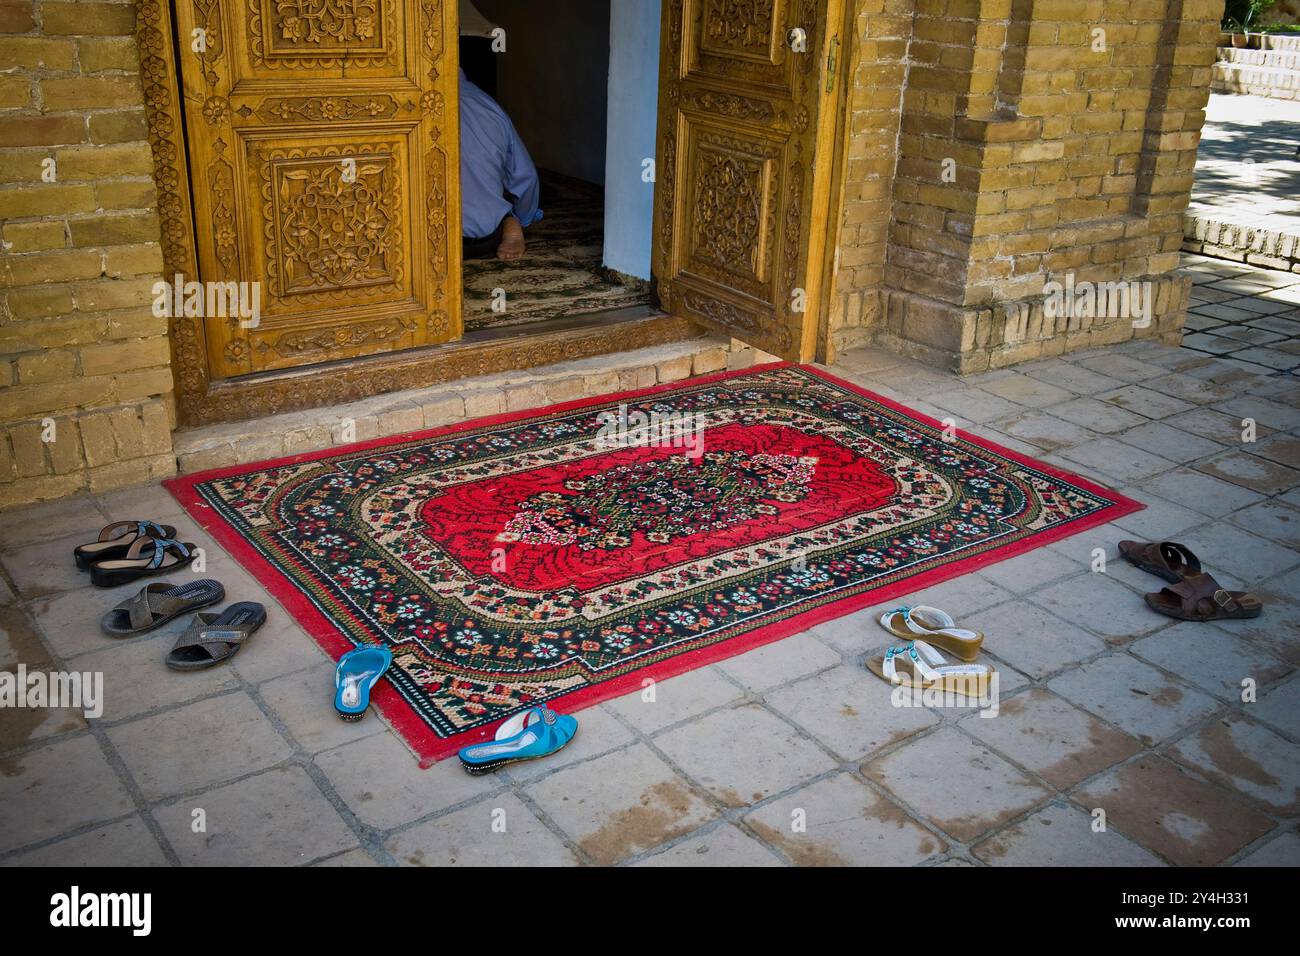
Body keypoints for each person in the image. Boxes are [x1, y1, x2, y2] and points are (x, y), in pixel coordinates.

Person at [459, 68, 543, 261]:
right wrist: (524, 218)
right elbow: (526, 178)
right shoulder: (490, 107)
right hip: (487, 238)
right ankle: (507, 218)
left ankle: (505, 218)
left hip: (430, 240)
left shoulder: (409, 107)